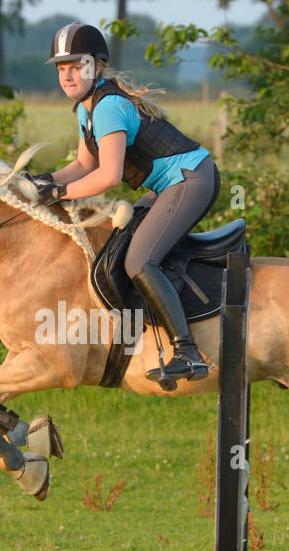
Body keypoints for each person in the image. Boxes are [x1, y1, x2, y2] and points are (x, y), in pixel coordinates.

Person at [30, 21, 221, 388]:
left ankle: (188, 352)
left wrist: (59, 194)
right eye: (62, 68)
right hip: (174, 183)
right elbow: (83, 164)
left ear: (96, 67)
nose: (68, 76)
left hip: (191, 179)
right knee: (123, 246)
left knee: (139, 261)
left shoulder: (107, 108)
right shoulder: (87, 108)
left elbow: (108, 176)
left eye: (76, 66)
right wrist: (44, 181)